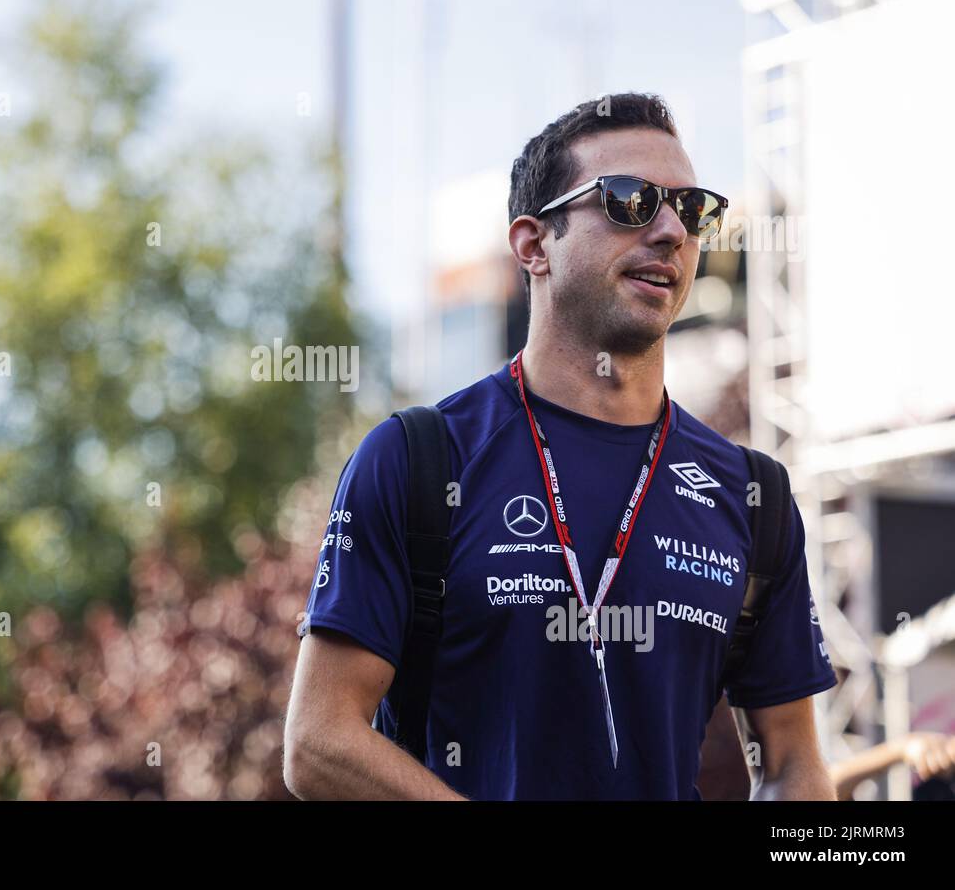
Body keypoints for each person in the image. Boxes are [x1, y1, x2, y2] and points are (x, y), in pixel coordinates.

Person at [282, 92, 838, 800]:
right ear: (533, 243)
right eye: (630, 201)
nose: (671, 229)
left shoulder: (751, 494)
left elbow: (795, 765)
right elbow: (319, 741)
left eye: (692, 208)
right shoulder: (417, 459)